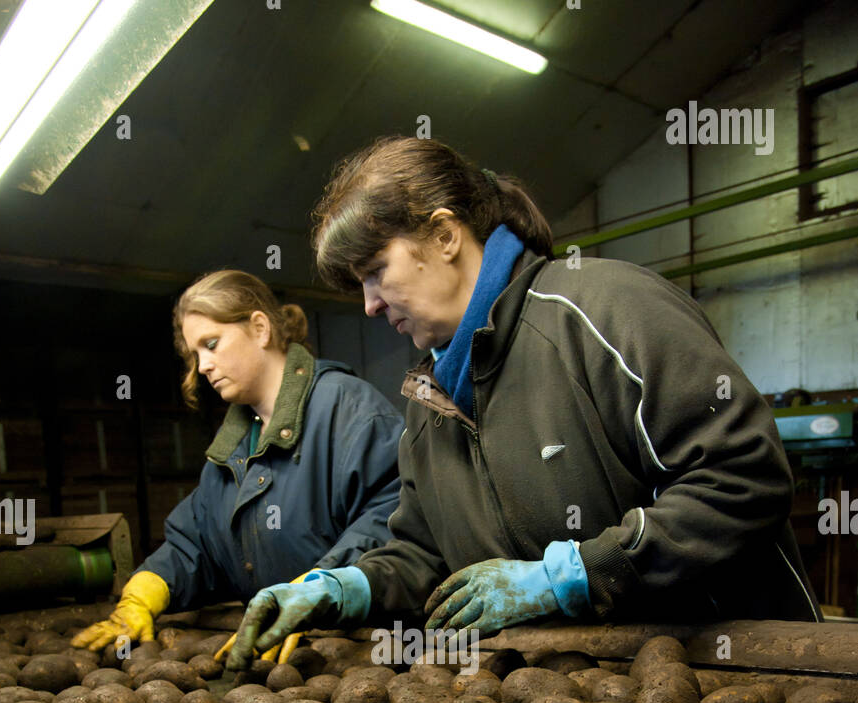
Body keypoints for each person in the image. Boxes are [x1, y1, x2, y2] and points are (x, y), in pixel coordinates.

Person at [225, 137, 820, 669]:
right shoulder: (427, 402)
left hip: (737, 684)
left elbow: (743, 479)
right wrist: (345, 587)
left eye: (376, 271)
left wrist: (576, 574)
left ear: (444, 234)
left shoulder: (605, 312)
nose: (370, 305)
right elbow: (426, 555)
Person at [72, 269, 404, 655]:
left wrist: (320, 589)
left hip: (362, 649)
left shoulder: (349, 411)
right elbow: (197, 542)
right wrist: (145, 591)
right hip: (275, 658)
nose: (202, 367)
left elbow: (395, 513)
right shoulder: (233, 447)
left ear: (260, 328)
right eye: (195, 354)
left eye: (211, 344)